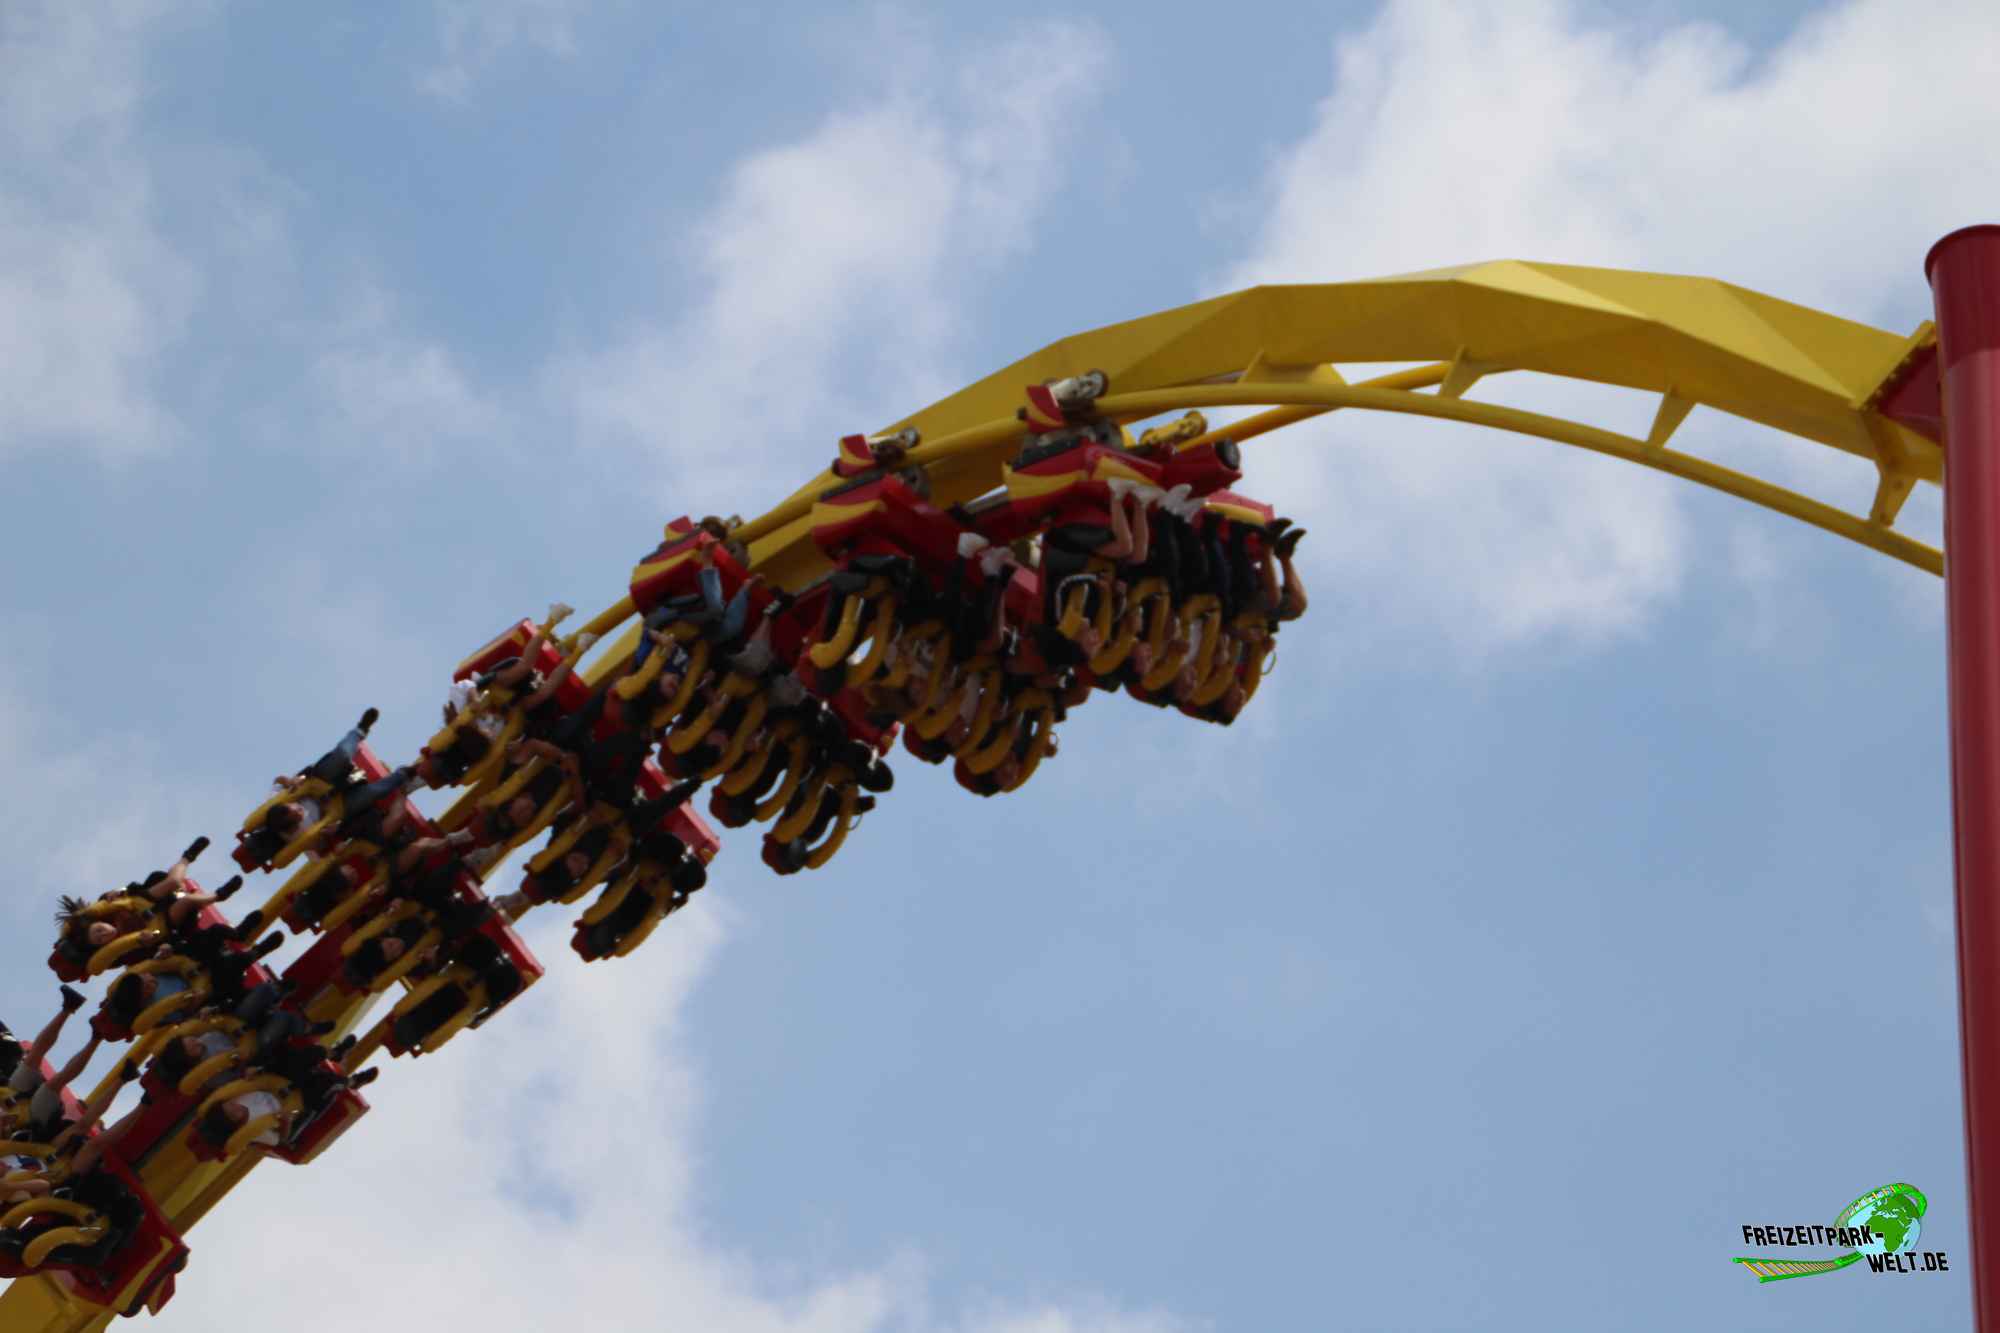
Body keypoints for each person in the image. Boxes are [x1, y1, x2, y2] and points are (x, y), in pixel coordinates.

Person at [2, 987, 96, 1143]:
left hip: (13, 1095)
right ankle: (96, 1038)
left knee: (31, 1059)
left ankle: (69, 1007)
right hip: (34, 1121)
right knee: (54, 1084)